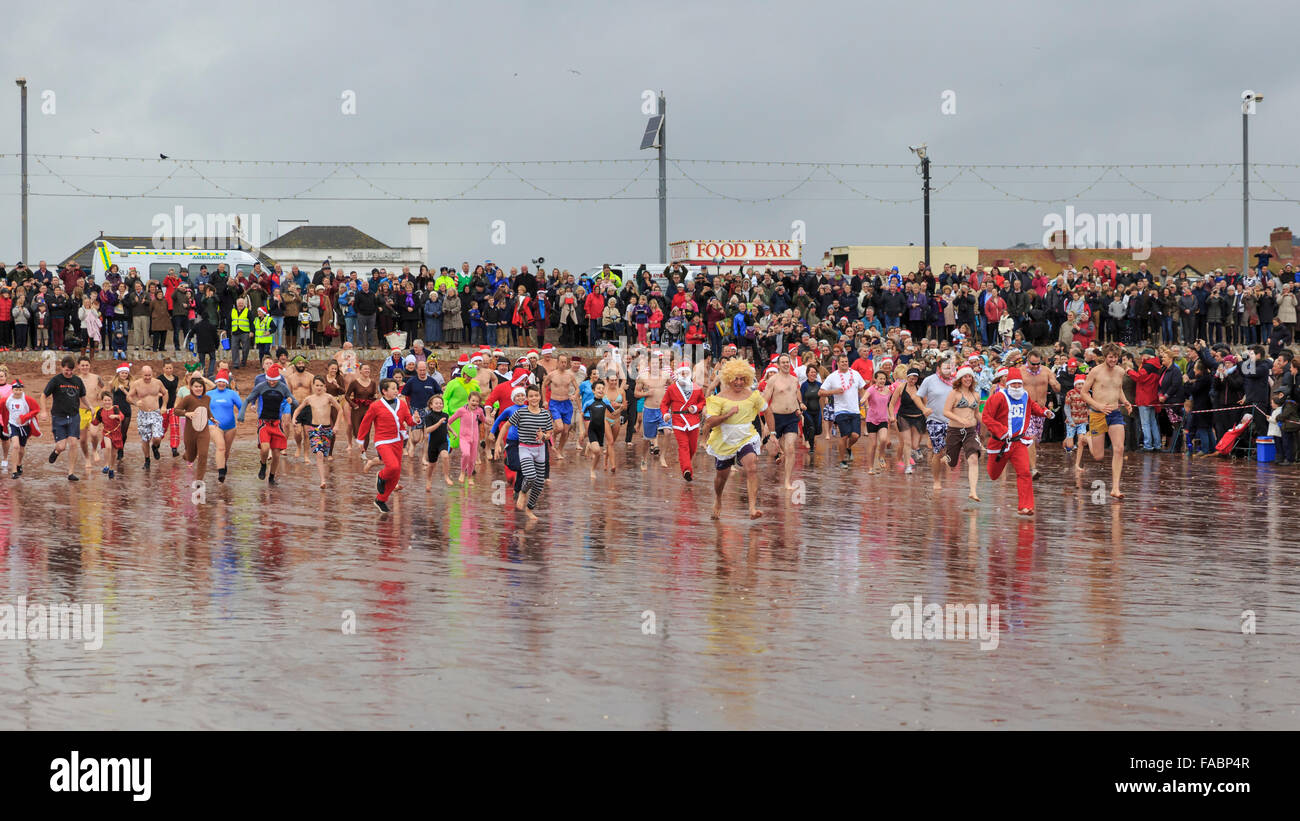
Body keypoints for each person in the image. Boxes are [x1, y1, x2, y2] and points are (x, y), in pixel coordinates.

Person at [701, 358, 768, 520]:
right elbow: (710, 422)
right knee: (721, 478)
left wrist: (770, 433)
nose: (739, 382)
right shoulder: (719, 398)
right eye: (735, 379)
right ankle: (718, 499)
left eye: (742, 379)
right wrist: (728, 415)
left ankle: (752, 508)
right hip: (724, 439)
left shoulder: (752, 395)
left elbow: (767, 410)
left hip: (746, 436)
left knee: (751, 467)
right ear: (729, 379)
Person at [982, 368, 1053, 515]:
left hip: (1018, 442)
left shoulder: (1025, 395)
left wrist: (1044, 411)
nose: (1016, 387)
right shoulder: (998, 397)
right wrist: (1001, 431)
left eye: (1018, 384)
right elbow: (986, 417)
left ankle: (1026, 506)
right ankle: (994, 470)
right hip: (1000, 444)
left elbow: (1033, 407)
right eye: (1013, 384)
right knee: (993, 475)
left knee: (1025, 473)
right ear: (1008, 384)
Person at [354, 377, 418, 513]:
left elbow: (409, 421)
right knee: (392, 466)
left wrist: (415, 420)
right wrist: (360, 440)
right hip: (382, 441)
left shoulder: (402, 403)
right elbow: (366, 423)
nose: (396, 391)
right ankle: (381, 476)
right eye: (393, 388)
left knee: (395, 475)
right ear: (384, 391)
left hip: (398, 441)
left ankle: (380, 500)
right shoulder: (376, 406)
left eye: (397, 388)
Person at [1081, 342, 1132, 499]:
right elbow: (1084, 393)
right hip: (1098, 413)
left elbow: (1118, 389)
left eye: (1116, 357)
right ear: (1105, 357)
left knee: (1119, 449)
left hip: (1115, 413)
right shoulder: (1095, 372)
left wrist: (1125, 402)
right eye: (1110, 357)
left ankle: (1115, 488)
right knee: (1098, 456)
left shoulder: (1120, 371)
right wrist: (1098, 405)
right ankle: (1086, 439)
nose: (1113, 360)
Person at [240, 364, 297, 486]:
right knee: (265, 448)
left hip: (276, 423)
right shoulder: (261, 386)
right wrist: (241, 414)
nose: (272, 382)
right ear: (266, 378)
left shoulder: (282, 387)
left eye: (274, 380)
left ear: (278, 379)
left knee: (276, 454)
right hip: (264, 423)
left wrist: (292, 403)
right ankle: (263, 465)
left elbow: (293, 400)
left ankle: (271, 477)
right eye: (269, 380)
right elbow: (248, 399)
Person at [508, 384, 554, 522]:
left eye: (536, 395)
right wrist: (498, 443)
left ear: (540, 397)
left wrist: (544, 436)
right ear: (527, 398)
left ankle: (529, 508)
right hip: (525, 448)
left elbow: (549, 432)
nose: (534, 398)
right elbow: (506, 425)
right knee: (531, 476)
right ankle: (522, 492)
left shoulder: (545, 413)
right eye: (531, 396)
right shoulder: (521, 412)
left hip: (540, 449)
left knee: (540, 483)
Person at [41, 355, 89, 481]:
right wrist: (44, 411)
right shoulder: (56, 380)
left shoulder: (78, 381)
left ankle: (71, 473)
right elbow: (43, 395)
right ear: (62, 367)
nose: (68, 373)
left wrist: (90, 406)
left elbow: (83, 396)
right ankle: (56, 452)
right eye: (66, 370)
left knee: (73, 443)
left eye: (71, 370)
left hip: (74, 415)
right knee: (62, 446)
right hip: (59, 416)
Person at [762, 353, 805, 490]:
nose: (786, 364)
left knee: (791, 448)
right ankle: (780, 452)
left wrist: (799, 410)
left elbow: (794, 397)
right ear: (779, 365)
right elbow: (765, 400)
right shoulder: (773, 380)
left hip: (791, 417)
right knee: (772, 451)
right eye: (783, 362)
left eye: (788, 362)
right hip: (775, 417)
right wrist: (765, 423)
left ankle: (787, 481)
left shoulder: (794, 380)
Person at [941, 366, 983, 500]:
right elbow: (946, 411)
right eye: (965, 376)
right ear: (960, 379)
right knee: (952, 463)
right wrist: (960, 419)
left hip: (970, 431)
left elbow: (976, 414)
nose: (968, 379)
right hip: (954, 431)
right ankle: (945, 457)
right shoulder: (954, 393)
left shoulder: (976, 394)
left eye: (970, 376)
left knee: (973, 458)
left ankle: (973, 491)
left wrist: (990, 425)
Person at [294, 376, 340, 488]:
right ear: (313, 386)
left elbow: (340, 410)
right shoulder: (309, 399)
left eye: (321, 385)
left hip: (327, 428)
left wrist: (337, 424)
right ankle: (323, 481)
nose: (319, 387)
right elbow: (298, 409)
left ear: (324, 386)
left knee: (323, 454)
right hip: (315, 429)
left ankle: (324, 474)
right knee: (319, 454)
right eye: (317, 385)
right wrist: (294, 418)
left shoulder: (329, 398)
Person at [820, 354, 866, 468]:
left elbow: (862, 390)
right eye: (842, 362)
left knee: (855, 436)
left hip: (855, 410)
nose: (845, 363)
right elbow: (820, 392)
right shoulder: (832, 376)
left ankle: (848, 447)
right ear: (838, 363)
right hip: (840, 410)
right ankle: (842, 461)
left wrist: (865, 403)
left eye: (846, 361)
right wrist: (834, 391)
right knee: (844, 436)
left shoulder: (855, 374)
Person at [917, 356, 956, 491]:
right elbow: (918, 396)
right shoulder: (929, 380)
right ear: (939, 368)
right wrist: (923, 409)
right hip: (935, 420)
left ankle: (946, 457)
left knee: (951, 449)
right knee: (938, 451)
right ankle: (936, 481)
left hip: (952, 420)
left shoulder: (956, 381)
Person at [661, 362, 704, 482]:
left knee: (693, 448)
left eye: (686, 372)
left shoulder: (696, 388)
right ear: (678, 374)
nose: (684, 375)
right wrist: (665, 414)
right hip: (678, 421)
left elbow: (702, 402)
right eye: (682, 373)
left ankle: (685, 463)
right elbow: (664, 403)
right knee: (683, 446)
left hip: (693, 421)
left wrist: (696, 408)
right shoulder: (672, 388)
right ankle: (686, 470)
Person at [173, 374, 213, 490]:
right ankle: (187, 456)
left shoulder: (207, 398)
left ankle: (199, 480)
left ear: (203, 387)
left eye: (200, 386)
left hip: (204, 431)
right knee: (191, 457)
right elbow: (176, 411)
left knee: (203, 454)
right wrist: (186, 413)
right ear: (191, 387)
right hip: (190, 432)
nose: (198, 388)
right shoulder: (188, 399)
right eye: (196, 386)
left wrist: (212, 418)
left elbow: (207, 411)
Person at [126, 365, 167, 469]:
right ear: (141, 374)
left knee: (157, 437)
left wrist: (164, 406)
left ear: (152, 374)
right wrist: (135, 402)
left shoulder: (157, 382)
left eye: (149, 375)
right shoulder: (137, 384)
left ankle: (155, 447)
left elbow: (165, 393)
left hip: (155, 413)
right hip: (143, 414)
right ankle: (147, 460)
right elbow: (129, 397)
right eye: (145, 375)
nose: (148, 377)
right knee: (145, 439)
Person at [2, 379, 41, 478]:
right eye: (16, 390)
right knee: (15, 446)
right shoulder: (7, 400)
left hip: (25, 426)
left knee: (21, 448)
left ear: (22, 390)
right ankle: (14, 471)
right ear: (12, 390)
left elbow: (36, 409)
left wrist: (25, 417)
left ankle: (19, 463)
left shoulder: (28, 399)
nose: (18, 392)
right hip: (12, 425)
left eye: (20, 390)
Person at [448, 392, 487, 486]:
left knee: (472, 459)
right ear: (468, 400)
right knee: (466, 454)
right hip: (464, 438)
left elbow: (484, 420)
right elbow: (449, 421)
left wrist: (490, 421)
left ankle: (469, 477)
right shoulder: (461, 410)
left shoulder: (479, 411)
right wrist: (450, 431)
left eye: (477, 401)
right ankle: (462, 472)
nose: (475, 403)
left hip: (475, 439)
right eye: (473, 400)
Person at [90, 391, 124, 479]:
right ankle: (106, 465)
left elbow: (122, 416)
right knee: (108, 447)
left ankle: (112, 469)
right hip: (106, 432)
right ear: (102, 401)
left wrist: (116, 416)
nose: (107, 402)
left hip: (116, 433)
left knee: (113, 454)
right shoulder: (100, 411)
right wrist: (92, 416)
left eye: (109, 400)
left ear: (112, 401)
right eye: (105, 400)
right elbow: (95, 422)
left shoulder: (116, 409)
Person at [422, 393, 451, 489]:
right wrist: (438, 423)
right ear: (431, 405)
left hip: (443, 441)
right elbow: (428, 430)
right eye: (436, 403)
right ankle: (428, 479)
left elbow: (446, 425)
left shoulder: (445, 415)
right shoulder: (429, 417)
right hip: (433, 443)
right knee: (431, 465)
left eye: (440, 403)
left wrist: (452, 432)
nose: (439, 405)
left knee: (445, 456)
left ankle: (446, 476)